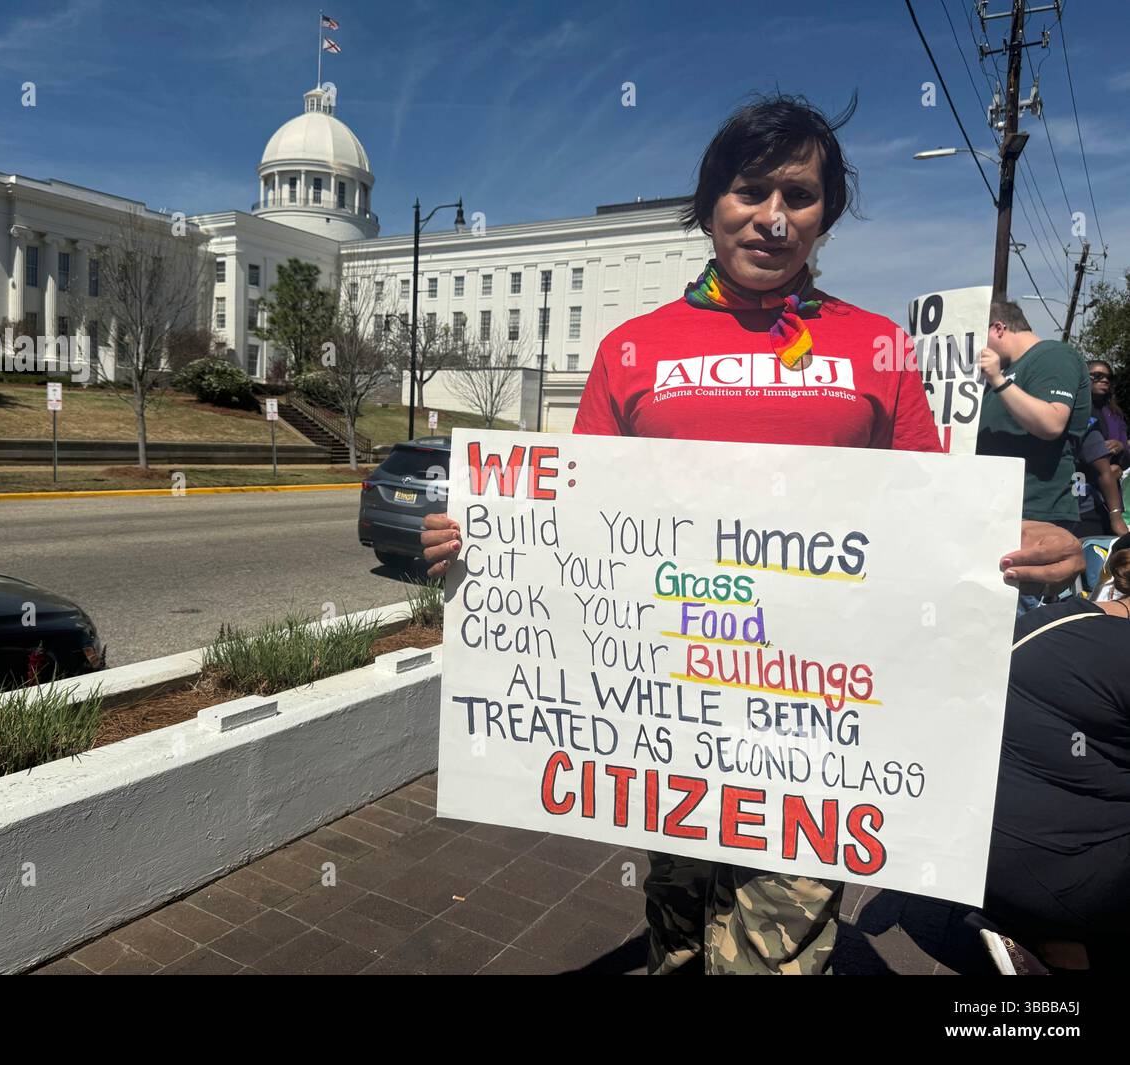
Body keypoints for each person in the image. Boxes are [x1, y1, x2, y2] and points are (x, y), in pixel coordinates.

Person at [423, 93, 1085, 975]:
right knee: (679, 945)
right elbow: (572, 528)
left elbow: (937, 518)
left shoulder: (878, 348)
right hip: (661, 722)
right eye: (749, 191)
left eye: (801, 196)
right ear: (708, 205)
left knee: (773, 961)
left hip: (816, 730)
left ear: (825, 219)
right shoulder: (630, 350)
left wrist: (1024, 546)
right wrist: (483, 543)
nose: (774, 217)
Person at [984, 537, 1130, 972]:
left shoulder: (1063, 615)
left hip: (971, 847)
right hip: (1060, 869)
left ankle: (1056, 943)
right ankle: (1057, 937)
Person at [976, 301, 1091, 530]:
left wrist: (998, 381)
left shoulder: (1053, 355)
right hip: (999, 508)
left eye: (978, 337)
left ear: (998, 328)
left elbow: (1051, 423)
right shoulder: (1004, 372)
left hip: (1038, 512)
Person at [1088, 359, 1127, 476]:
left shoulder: (1115, 414)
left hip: (1109, 486)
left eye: (1108, 378)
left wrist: (1121, 448)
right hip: (1078, 481)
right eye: (1097, 376)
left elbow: (1126, 452)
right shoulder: (1072, 409)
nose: (1105, 380)